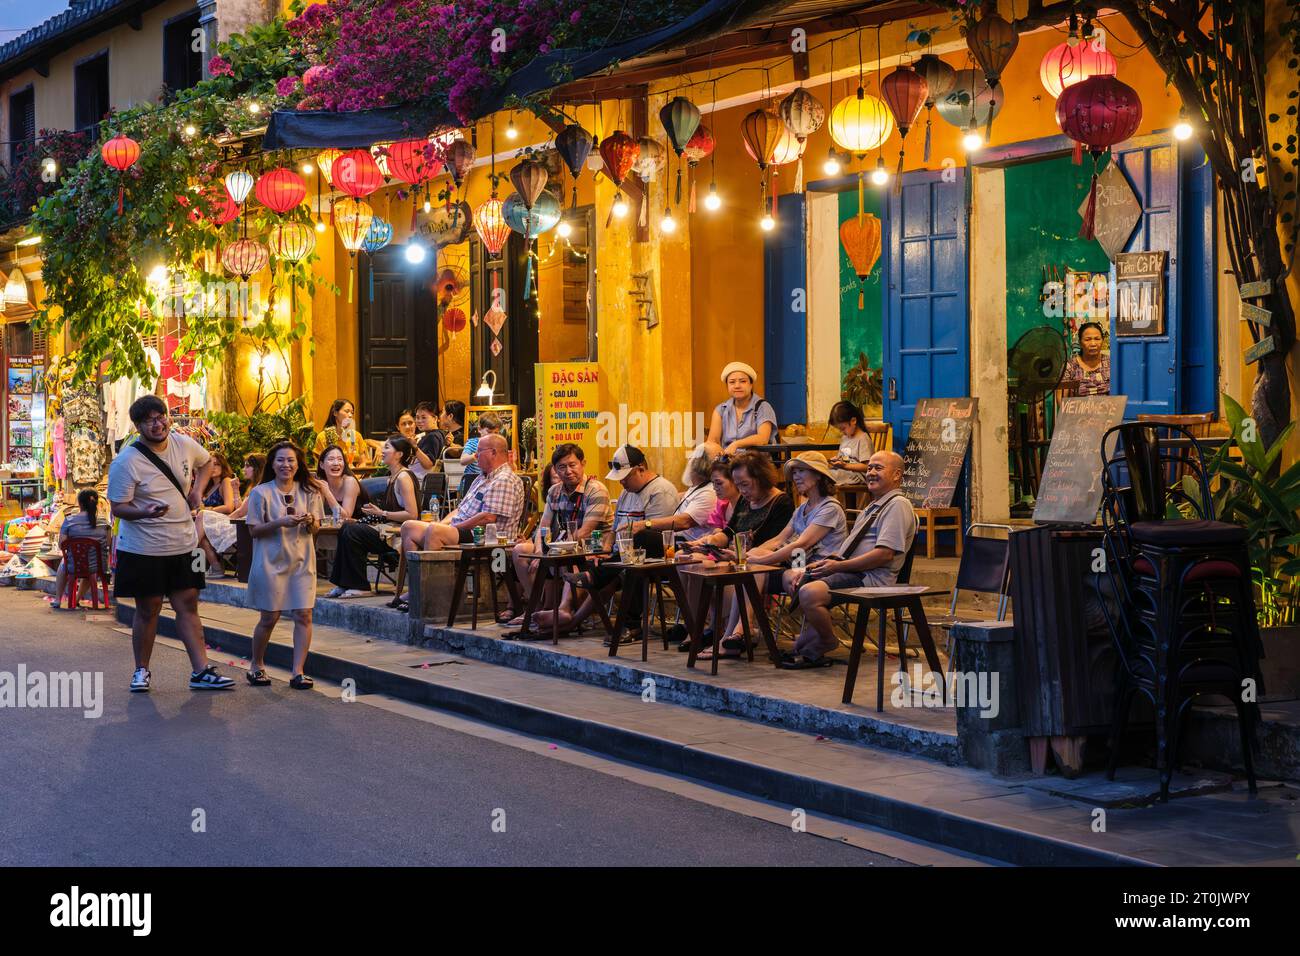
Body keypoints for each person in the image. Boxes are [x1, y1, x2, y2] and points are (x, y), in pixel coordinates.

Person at [106, 394, 234, 691]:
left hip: (184, 543)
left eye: (160, 416)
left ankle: (201, 671)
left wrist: (197, 491)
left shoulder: (183, 443)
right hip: (143, 547)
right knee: (148, 607)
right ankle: (141, 670)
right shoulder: (126, 461)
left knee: (188, 603)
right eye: (149, 420)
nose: (157, 423)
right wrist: (144, 511)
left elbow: (207, 462)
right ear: (138, 426)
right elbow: (118, 508)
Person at [701, 451, 845, 661]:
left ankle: (736, 634)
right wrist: (744, 556)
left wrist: (758, 559)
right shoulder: (802, 508)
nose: (795, 476)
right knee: (753, 562)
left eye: (801, 471)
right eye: (794, 472)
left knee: (756, 565)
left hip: (821, 569)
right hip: (801, 565)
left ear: (819, 475)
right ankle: (735, 633)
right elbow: (778, 540)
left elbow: (802, 543)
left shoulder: (830, 507)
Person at [780, 450, 916, 669]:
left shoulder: (896, 505)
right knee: (792, 577)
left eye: (878, 468)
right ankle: (809, 643)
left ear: (897, 475)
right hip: (846, 568)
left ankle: (824, 640)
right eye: (869, 467)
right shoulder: (871, 506)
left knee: (808, 591)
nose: (870, 472)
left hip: (869, 576)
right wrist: (823, 564)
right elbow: (786, 541)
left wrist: (835, 565)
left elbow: (884, 554)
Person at [532, 444, 679, 640]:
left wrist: (617, 551)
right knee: (601, 564)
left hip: (651, 557)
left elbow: (656, 538)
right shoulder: (627, 491)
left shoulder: (660, 491)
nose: (622, 483)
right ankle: (568, 616)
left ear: (641, 469)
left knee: (622, 567)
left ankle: (591, 620)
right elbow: (614, 529)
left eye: (625, 477)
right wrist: (607, 548)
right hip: (623, 554)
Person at [677, 451, 796, 657]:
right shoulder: (745, 500)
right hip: (741, 557)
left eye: (745, 484)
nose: (742, 490)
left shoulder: (781, 502)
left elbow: (773, 543)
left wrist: (736, 554)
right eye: (738, 484)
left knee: (730, 566)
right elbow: (729, 532)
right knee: (690, 561)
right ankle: (696, 628)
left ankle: (734, 631)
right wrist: (709, 542)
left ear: (760, 478)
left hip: (768, 561)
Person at [501, 442, 611, 627]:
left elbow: (585, 531)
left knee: (570, 559)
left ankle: (563, 610)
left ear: (583, 463)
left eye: (572, 465)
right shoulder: (554, 491)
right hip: (560, 544)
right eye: (562, 467)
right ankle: (536, 608)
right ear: (555, 470)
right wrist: (539, 550)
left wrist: (551, 551)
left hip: (593, 547)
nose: (568, 471)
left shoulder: (596, 490)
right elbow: (543, 527)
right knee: (520, 551)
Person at [245, 441, 325, 688]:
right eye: (280, 460)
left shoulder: (311, 492)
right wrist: (281, 522)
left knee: (304, 614)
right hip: (270, 561)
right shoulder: (261, 492)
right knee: (269, 617)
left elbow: (316, 528)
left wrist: (310, 520)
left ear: (299, 463)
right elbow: (254, 531)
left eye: (291, 460)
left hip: (302, 560)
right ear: (272, 463)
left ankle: (298, 671)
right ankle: (256, 665)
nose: (286, 465)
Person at [326, 436, 419, 599]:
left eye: (387, 448)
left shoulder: (404, 478)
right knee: (346, 527)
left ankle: (360, 586)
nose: (382, 451)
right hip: (388, 529)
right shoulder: (392, 477)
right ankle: (344, 584)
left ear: (398, 454)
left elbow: (412, 514)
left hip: (399, 535)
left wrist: (381, 513)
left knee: (354, 532)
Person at [50, 489, 110, 610]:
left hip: (75, 565)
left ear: (80, 504)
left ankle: (57, 599)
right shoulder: (104, 522)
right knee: (90, 566)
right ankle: (76, 599)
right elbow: (108, 544)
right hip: (98, 566)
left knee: (64, 563)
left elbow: (62, 545)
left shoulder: (69, 521)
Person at [705, 361, 777, 457]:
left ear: (751, 384)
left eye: (743, 381)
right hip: (728, 463)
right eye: (732, 382)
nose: (737, 386)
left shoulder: (763, 407)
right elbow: (712, 442)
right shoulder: (721, 410)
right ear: (727, 386)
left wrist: (736, 444)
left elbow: (762, 438)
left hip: (756, 464)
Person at [197, 451, 240, 578]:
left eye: (217, 464)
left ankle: (182, 556)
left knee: (201, 517)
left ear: (223, 466)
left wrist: (207, 510)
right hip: (211, 522)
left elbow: (229, 507)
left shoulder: (225, 481)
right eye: (210, 465)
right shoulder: (209, 486)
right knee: (200, 532)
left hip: (226, 521)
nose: (213, 468)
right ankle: (216, 568)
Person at [316, 444, 369, 521]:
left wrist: (327, 493)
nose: (336, 463)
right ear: (321, 465)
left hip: (360, 527)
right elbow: (318, 515)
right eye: (331, 459)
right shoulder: (322, 483)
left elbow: (345, 517)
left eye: (340, 459)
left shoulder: (350, 482)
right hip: (335, 529)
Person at [827, 401, 875, 485]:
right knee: (821, 473)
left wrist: (845, 466)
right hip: (845, 472)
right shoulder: (845, 438)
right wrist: (837, 461)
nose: (842, 432)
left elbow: (867, 467)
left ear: (853, 421)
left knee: (824, 477)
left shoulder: (863, 438)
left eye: (843, 428)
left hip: (857, 476)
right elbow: (844, 459)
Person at [314, 399, 372, 467]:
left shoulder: (356, 435)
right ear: (335, 413)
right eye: (347, 411)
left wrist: (356, 476)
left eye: (352, 412)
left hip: (354, 476)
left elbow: (363, 462)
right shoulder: (323, 437)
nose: (350, 415)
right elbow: (320, 465)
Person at [458, 412, 502, 497]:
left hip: (490, 485)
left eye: (496, 432)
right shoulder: (473, 443)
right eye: (489, 432)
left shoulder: (499, 445)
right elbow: (462, 460)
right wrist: (476, 455)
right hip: (471, 486)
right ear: (479, 429)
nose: (492, 435)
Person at [1062, 321, 1111, 397]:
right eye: (1088, 339)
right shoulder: (1069, 366)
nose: (1093, 344)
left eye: (1097, 339)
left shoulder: (1111, 363)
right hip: (1077, 409)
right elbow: (1061, 401)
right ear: (1080, 343)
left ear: (1102, 340)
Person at [410, 402, 447, 479]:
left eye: (424, 417)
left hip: (418, 481)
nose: (419, 421)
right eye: (417, 417)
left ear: (435, 419)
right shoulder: (436, 434)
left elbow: (428, 464)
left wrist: (415, 447)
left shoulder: (432, 436)